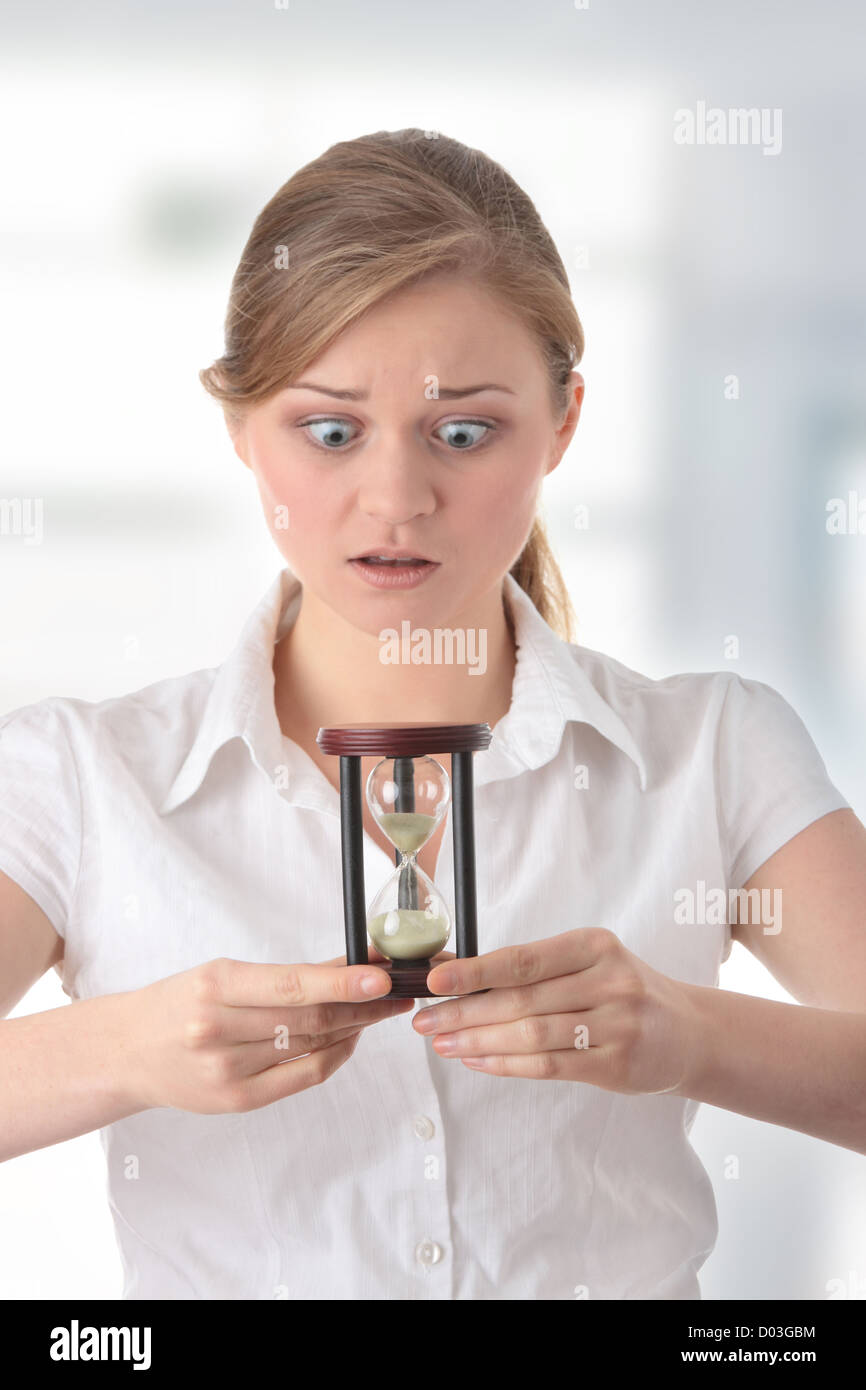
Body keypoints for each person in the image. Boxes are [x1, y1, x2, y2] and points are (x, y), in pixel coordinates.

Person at [2, 129, 865, 1302]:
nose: (396, 498)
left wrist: (689, 1032)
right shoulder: (77, 776)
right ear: (239, 427)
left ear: (561, 420)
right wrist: (125, 1046)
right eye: (329, 430)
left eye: (463, 431)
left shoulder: (712, 749)